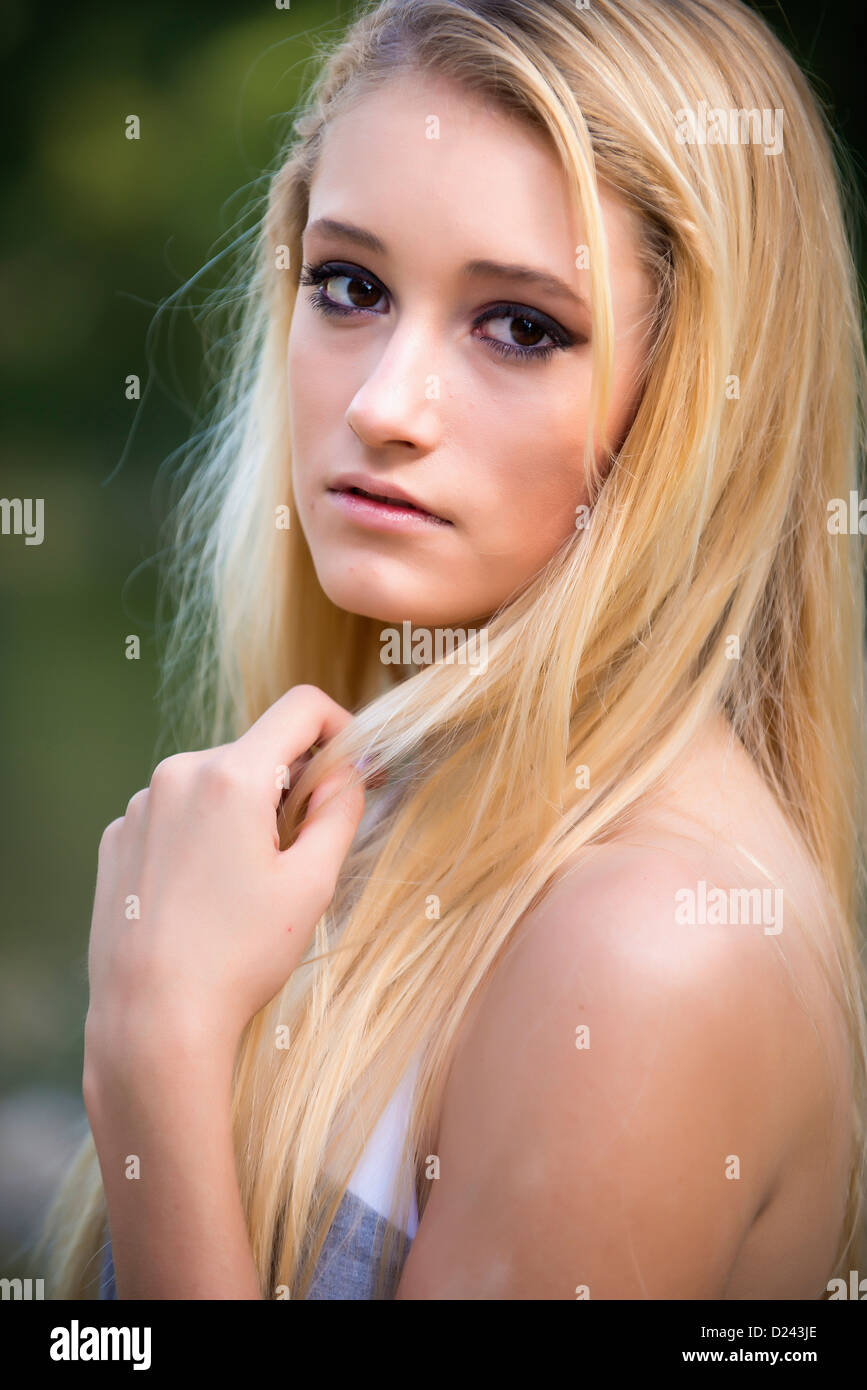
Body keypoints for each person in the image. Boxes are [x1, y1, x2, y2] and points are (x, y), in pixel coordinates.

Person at [39, 0, 867, 1299]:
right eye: (351, 286)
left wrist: (158, 1054)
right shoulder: (398, 793)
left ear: (702, 397)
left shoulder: (649, 950)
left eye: (522, 325)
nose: (380, 407)